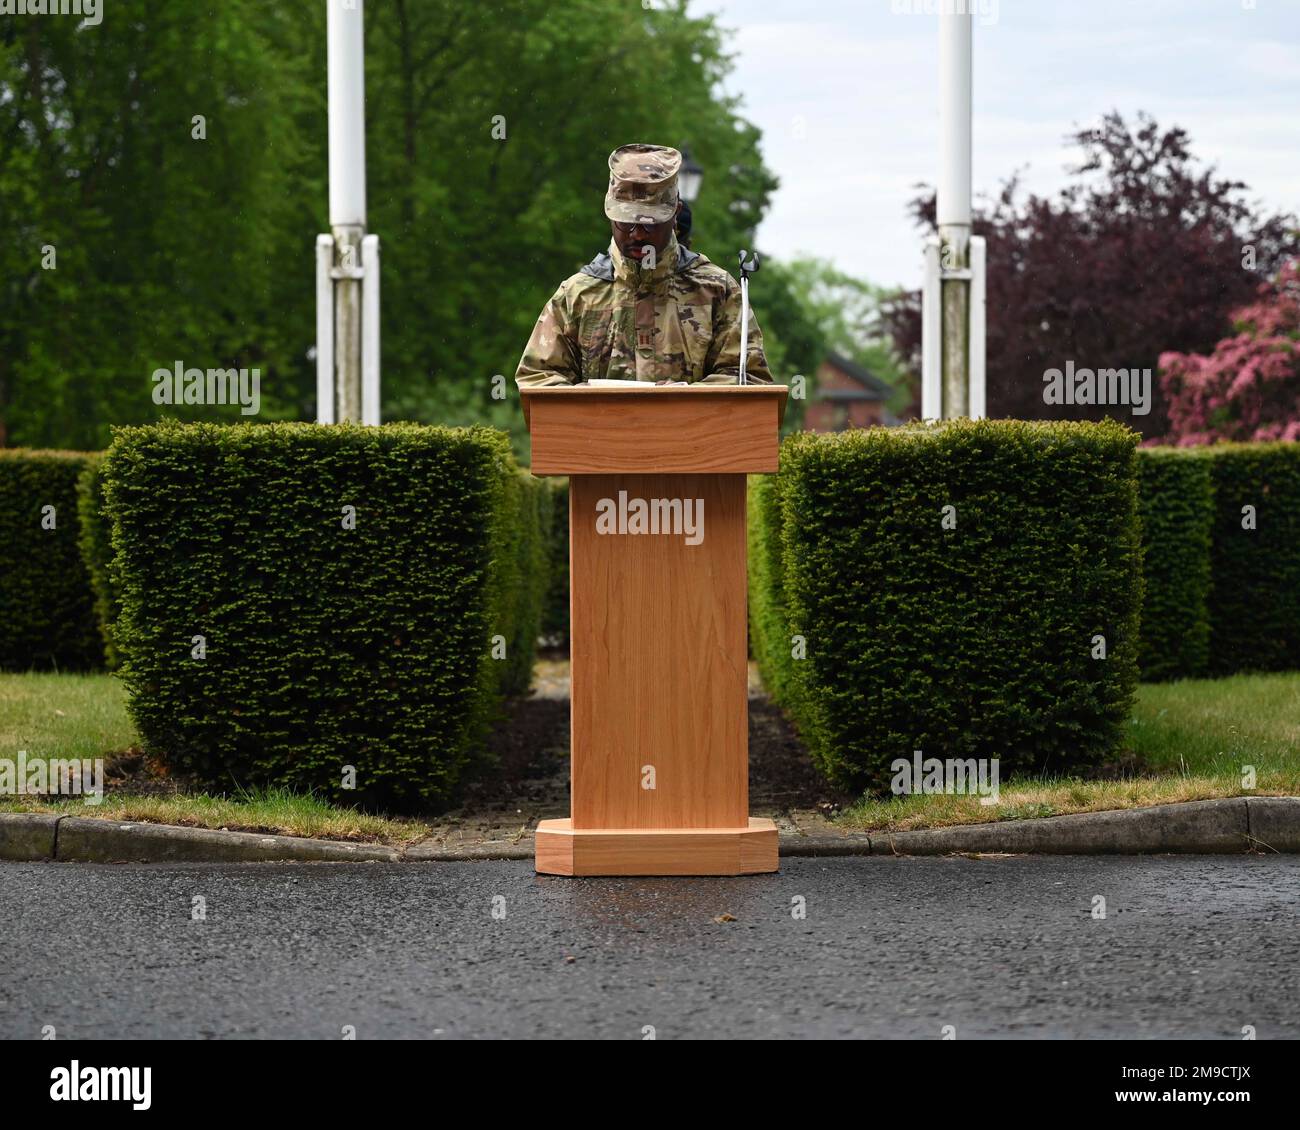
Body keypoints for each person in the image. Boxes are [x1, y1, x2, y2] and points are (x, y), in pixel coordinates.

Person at [514, 143, 771, 387]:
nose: (637, 234)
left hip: (694, 433)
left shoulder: (717, 290)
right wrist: (593, 404)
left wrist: (684, 400)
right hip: (598, 434)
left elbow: (747, 379)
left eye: (650, 223)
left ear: (674, 214)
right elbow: (538, 379)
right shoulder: (577, 295)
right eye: (625, 223)